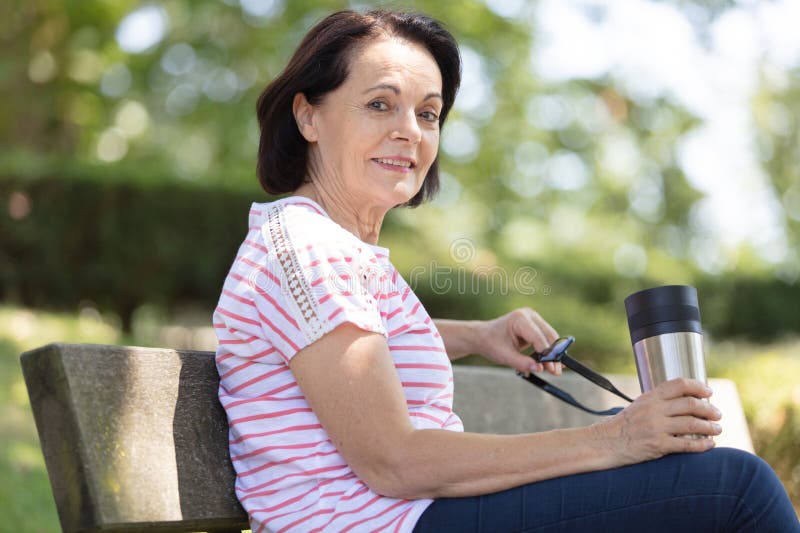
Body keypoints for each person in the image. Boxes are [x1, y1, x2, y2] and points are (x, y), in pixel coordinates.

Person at [213, 9, 799, 533]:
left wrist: (476, 336)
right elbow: (394, 462)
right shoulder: (307, 249)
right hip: (378, 520)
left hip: (410, 516)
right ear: (308, 115)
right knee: (734, 488)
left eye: (428, 113)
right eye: (379, 104)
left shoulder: (323, 249)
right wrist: (615, 437)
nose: (410, 132)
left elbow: (336, 338)